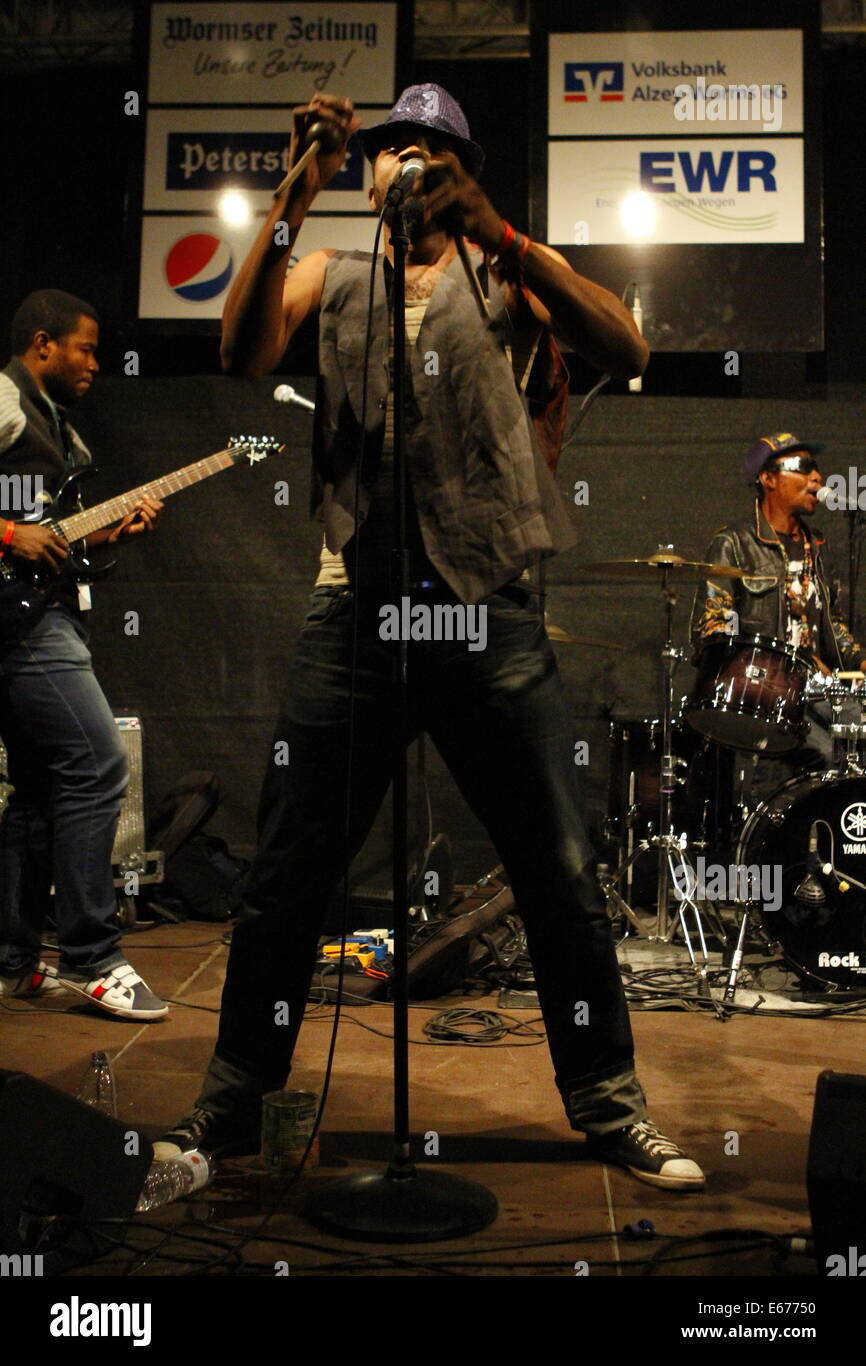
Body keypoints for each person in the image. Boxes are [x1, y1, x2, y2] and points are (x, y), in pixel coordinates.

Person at [158, 85, 705, 1190]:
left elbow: (626, 344)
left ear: (458, 169)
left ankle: (607, 1105)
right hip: (353, 604)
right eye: (387, 148)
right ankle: (228, 1105)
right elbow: (242, 348)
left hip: (485, 608)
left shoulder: (501, 264)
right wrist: (292, 196)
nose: (401, 162)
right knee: (288, 875)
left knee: (557, 870)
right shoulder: (334, 264)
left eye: (426, 149)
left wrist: (498, 228)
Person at [0, 289, 168, 1019]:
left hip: (39, 611)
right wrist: (7, 537)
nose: (97, 363)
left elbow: (58, 536)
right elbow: (22, 534)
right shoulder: (3, 401)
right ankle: (92, 956)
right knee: (100, 765)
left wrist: (110, 535)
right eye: (86, 348)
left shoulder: (60, 433)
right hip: (25, 625)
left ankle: (12, 961)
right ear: (43, 344)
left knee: (38, 793)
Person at [691, 433, 866, 776]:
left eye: (815, 468)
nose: (817, 478)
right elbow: (712, 630)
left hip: (820, 690)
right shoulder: (735, 544)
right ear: (768, 479)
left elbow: (835, 627)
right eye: (803, 468)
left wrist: (860, 659)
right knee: (832, 756)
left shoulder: (817, 546)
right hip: (767, 696)